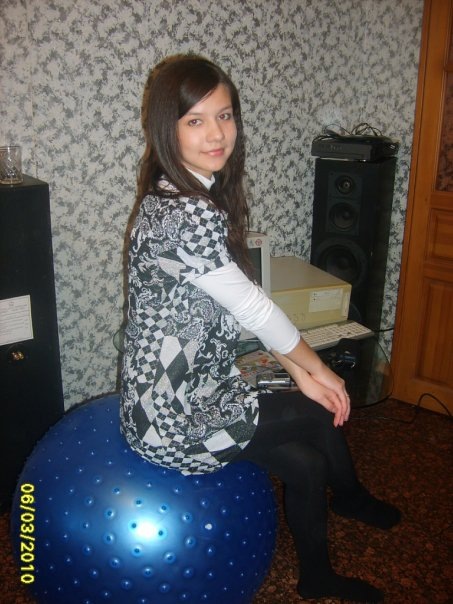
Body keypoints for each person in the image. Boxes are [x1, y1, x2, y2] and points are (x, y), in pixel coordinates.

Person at [120, 54, 400, 603]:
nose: (216, 134)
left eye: (224, 116)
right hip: (172, 417)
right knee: (319, 408)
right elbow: (253, 308)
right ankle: (350, 496)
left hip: (192, 393)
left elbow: (238, 307)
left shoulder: (180, 193)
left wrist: (301, 370)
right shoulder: (183, 214)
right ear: (166, 129)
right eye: (195, 120)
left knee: (306, 462)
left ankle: (316, 575)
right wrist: (317, 371)